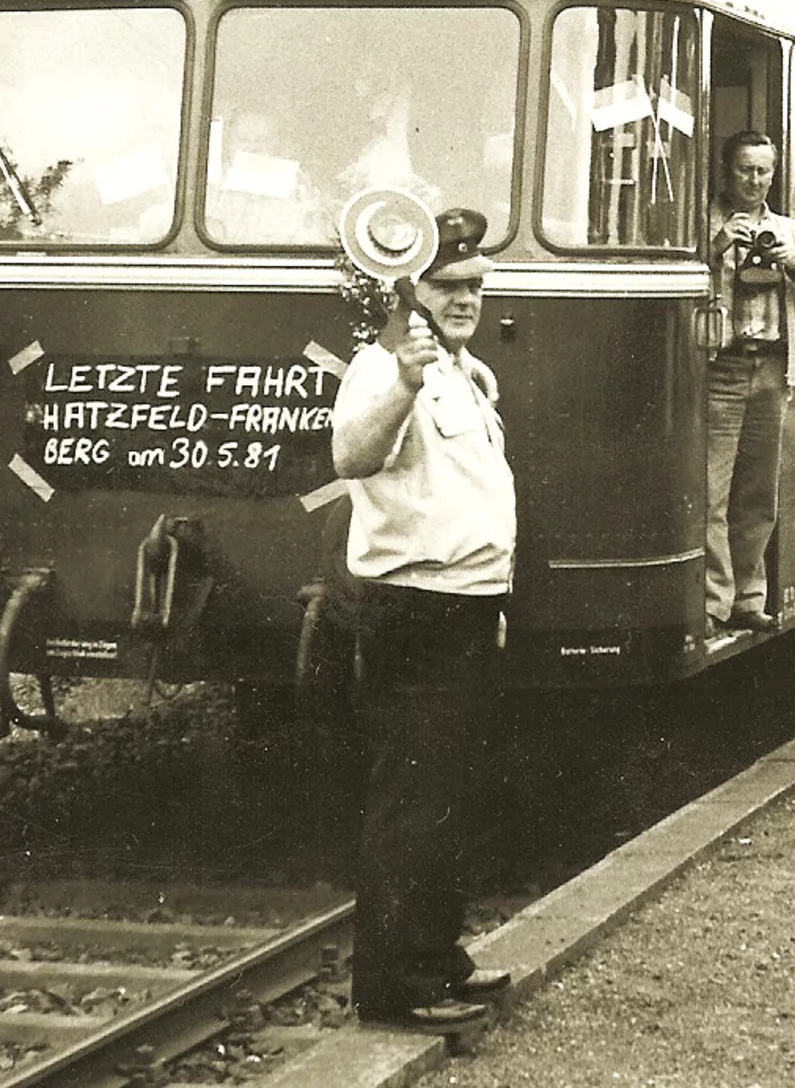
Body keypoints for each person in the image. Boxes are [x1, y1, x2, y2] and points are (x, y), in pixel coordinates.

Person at [331, 207, 516, 1030]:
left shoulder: (467, 374)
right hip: (416, 609)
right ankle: (393, 989)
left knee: (449, 797)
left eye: (475, 285)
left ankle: (438, 960)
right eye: (449, 287)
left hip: (467, 607)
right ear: (413, 291)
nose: (466, 299)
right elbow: (351, 458)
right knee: (412, 802)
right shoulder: (384, 371)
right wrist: (403, 381)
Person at [705, 130, 795, 632]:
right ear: (727, 171)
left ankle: (747, 598)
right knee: (712, 491)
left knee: (757, 494)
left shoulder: (789, 231)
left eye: (763, 171)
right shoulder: (706, 225)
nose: (754, 180)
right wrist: (718, 250)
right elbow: (686, 282)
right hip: (723, 367)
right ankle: (715, 602)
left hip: (773, 371)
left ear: (773, 174)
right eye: (745, 170)